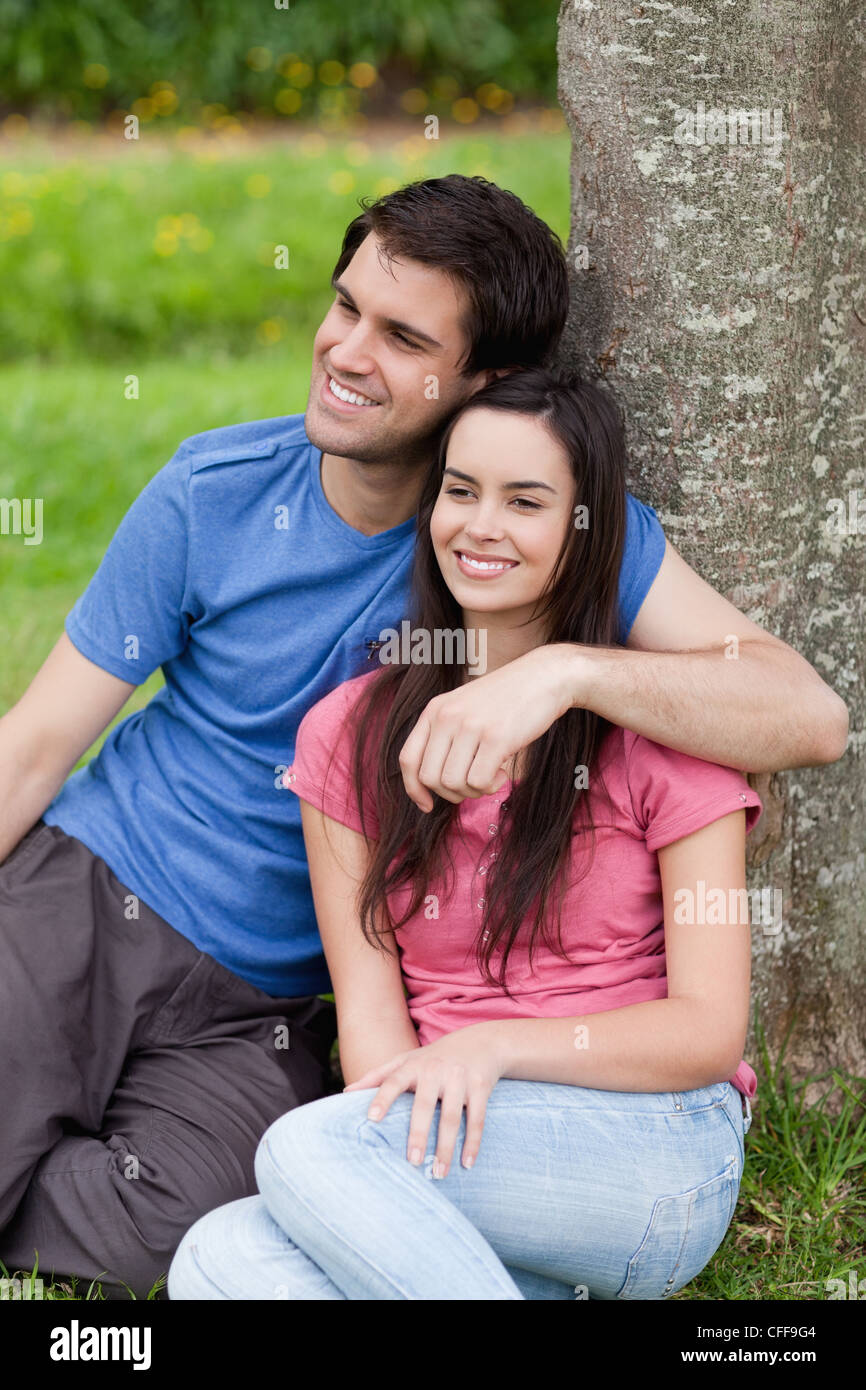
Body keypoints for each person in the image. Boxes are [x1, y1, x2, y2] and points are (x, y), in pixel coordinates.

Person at [0, 175, 846, 1299]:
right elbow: (36, 743)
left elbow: (806, 713)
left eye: (402, 336)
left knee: (189, 1231)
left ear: (481, 383)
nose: (345, 350)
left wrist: (560, 671)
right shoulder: (211, 493)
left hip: (263, 1004)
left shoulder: (533, 524)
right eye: (345, 307)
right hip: (94, 891)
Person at [168, 368, 765, 1301]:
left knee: (304, 1150)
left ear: (586, 528)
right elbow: (370, 1020)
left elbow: (708, 1027)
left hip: (655, 1143)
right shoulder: (348, 736)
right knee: (217, 1260)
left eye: (526, 501)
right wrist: (429, 1092)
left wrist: (493, 1048)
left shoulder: (669, 728)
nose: (480, 525)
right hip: (448, 1139)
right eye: (460, 490)